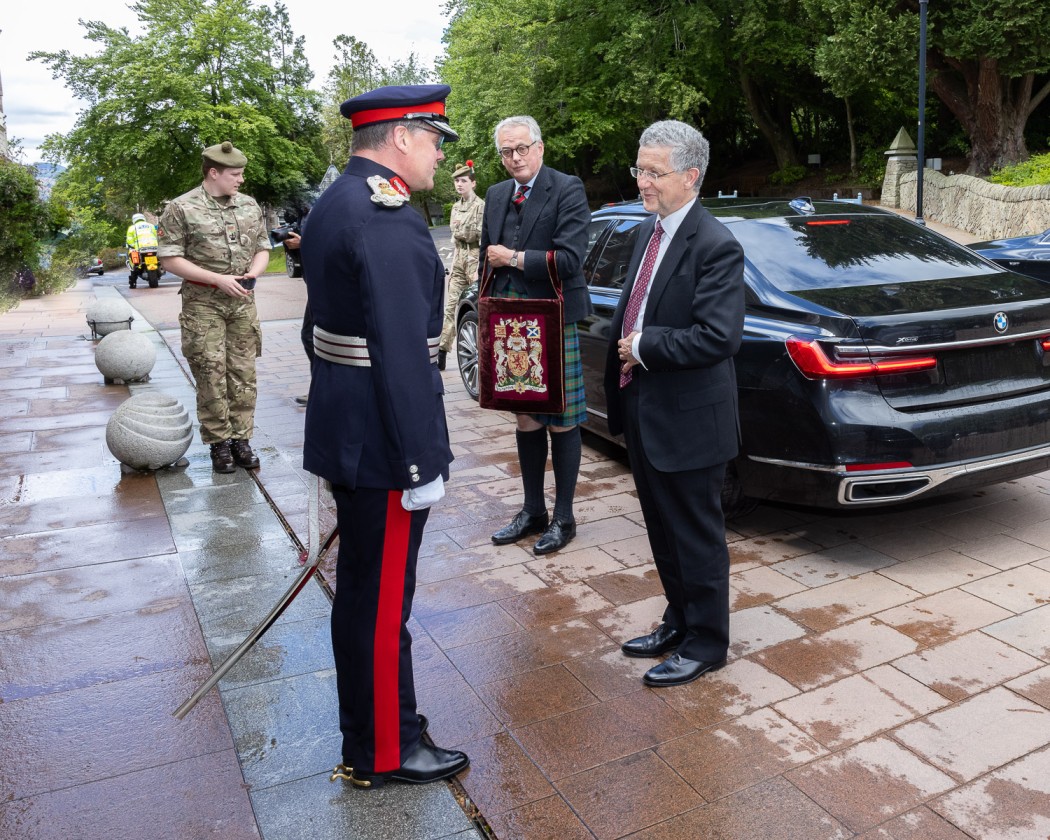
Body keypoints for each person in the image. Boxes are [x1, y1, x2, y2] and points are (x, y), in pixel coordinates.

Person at [299, 84, 469, 789]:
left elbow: (321, 333)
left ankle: (378, 730)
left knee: (366, 597)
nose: (437, 154)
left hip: (351, 425)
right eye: (433, 138)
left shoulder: (338, 199)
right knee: (378, 606)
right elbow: (403, 354)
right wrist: (420, 458)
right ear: (401, 137)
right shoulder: (387, 216)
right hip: (384, 441)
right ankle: (384, 749)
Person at [604, 120, 745, 688]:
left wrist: (641, 345)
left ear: (690, 176)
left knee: (695, 535)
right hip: (644, 407)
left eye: (653, 172)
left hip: (689, 421)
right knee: (661, 529)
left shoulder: (716, 244)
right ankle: (678, 619)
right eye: (639, 169)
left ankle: (708, 642)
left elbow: (718, 337)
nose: (642, 181)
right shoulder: (650, 230)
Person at [481, 115, 591, 556]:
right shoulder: (493, 195)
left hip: (553, 317)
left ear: (540, 148)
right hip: (509, 322)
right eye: (507, 151)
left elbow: (570, 258)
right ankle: (533, 511)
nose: (515, 158)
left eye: (522, 148)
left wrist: (515, 257)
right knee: (525, 418)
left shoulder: (567, 188)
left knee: (563, 422)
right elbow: (485, 261)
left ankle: (564, 517)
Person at [157, 141, 271, 474]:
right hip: (203, 305)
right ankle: (219, 444)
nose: (241, 180)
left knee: (243, 372)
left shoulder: (249, 206)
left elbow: (263, 247)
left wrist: (255, 271)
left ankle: (241, 439)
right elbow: (169, 258)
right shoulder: (181, 208)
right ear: (213, 172)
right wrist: (216, 279)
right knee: (210, 372)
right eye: (235, 174)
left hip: (242, 303)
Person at [437, 161, 484, 370]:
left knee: (475, 308)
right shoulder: (455, 208)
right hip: (459, 260)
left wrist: (479, 270)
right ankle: (442, 351)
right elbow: (455, 241)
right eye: (456, 181)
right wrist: (454, 264)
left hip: (475, 258)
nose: (459, 184)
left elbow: (485, 241)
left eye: (463, 180)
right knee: (450, 307)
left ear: (473, 183)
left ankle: (480, 352)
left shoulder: (481, 206)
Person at [125, 212, 158, 288]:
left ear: (134, 220)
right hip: (154, 248)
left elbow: (129, 241)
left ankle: (133, 282)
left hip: (140, 249)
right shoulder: (151, 225)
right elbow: (156, 236)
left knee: (133, 264)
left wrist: (133, 247)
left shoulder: (132, 228)